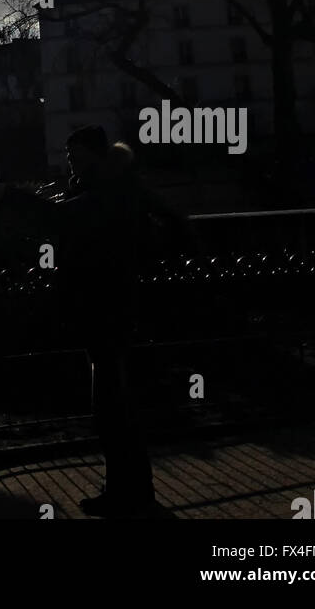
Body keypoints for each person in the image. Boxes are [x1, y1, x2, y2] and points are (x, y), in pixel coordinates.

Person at [58, 125, 189, 519]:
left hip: (106, 308)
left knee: (114, 409)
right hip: (107, 307)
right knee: (113, 409)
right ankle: (129, 490)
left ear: (96, 158)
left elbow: (68, 223)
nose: (72, 164)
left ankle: (129, 492)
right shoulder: (110, 187)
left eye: (76, 157)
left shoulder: (105, 193)